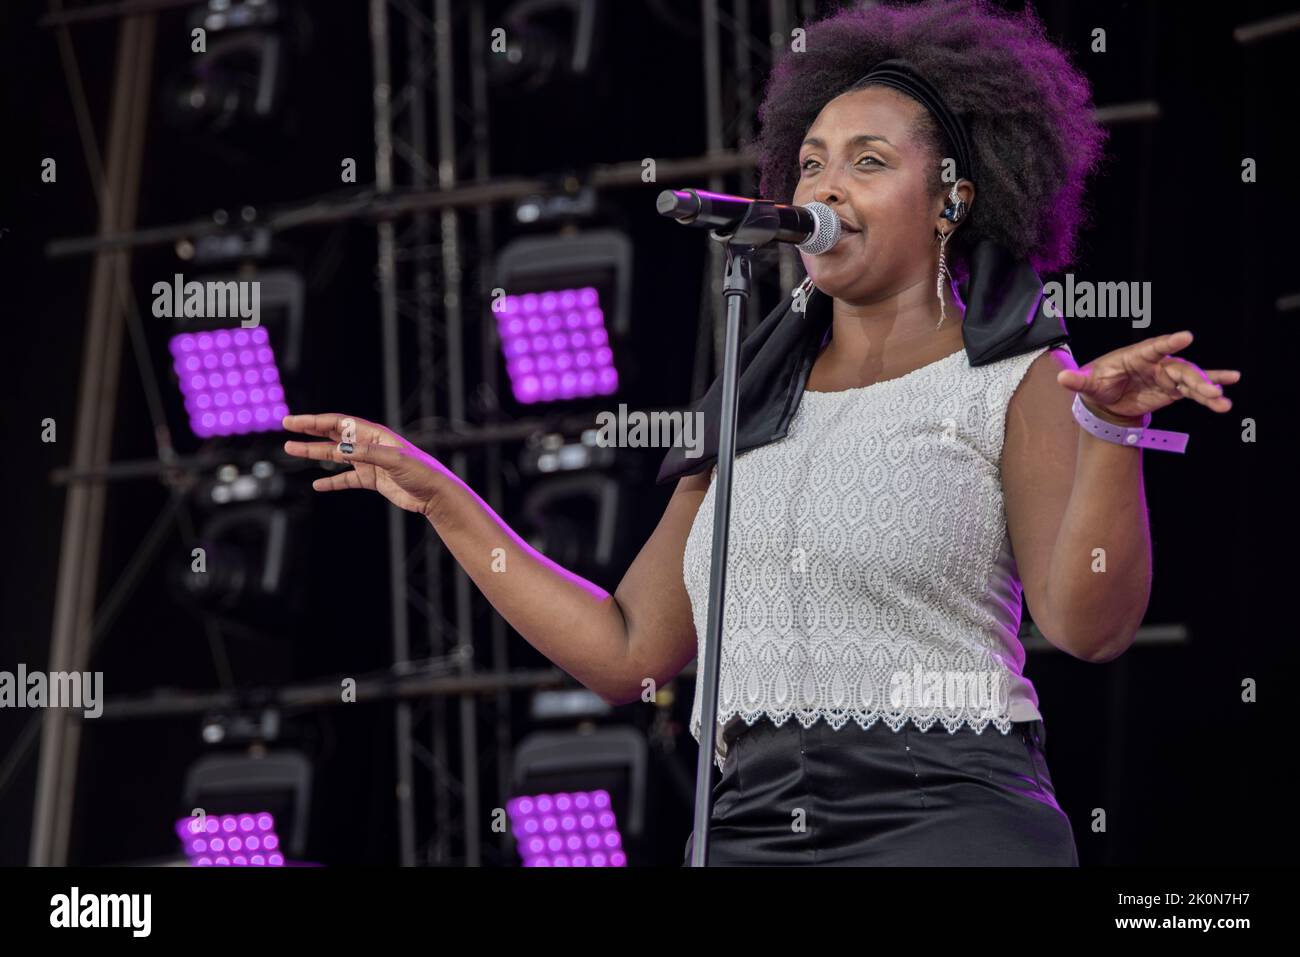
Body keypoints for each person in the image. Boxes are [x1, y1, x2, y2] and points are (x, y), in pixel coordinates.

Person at [283, 0, 1240, 865]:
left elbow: (1089, 623)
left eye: (868, 161)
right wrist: (447, 500)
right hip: (747, 822)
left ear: (955, 195)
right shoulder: (752, 396)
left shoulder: (1014, 375)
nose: (827, 185)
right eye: (813, 160)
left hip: (948, 817)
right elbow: (625, 650)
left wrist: (1112, 432)